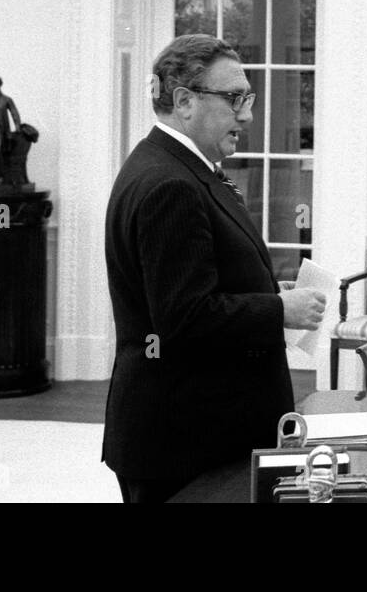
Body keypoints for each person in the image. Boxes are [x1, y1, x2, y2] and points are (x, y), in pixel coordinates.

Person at [102, 34, 326, 503]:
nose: (246, 114)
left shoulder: (178, 167)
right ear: (183, 101)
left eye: (248, 98)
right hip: (186, 445)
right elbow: (185, 318)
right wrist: (278, 309)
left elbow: (196, 281)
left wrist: (265, 289)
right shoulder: (170, 184)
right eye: (234, 99)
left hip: (196, 436)